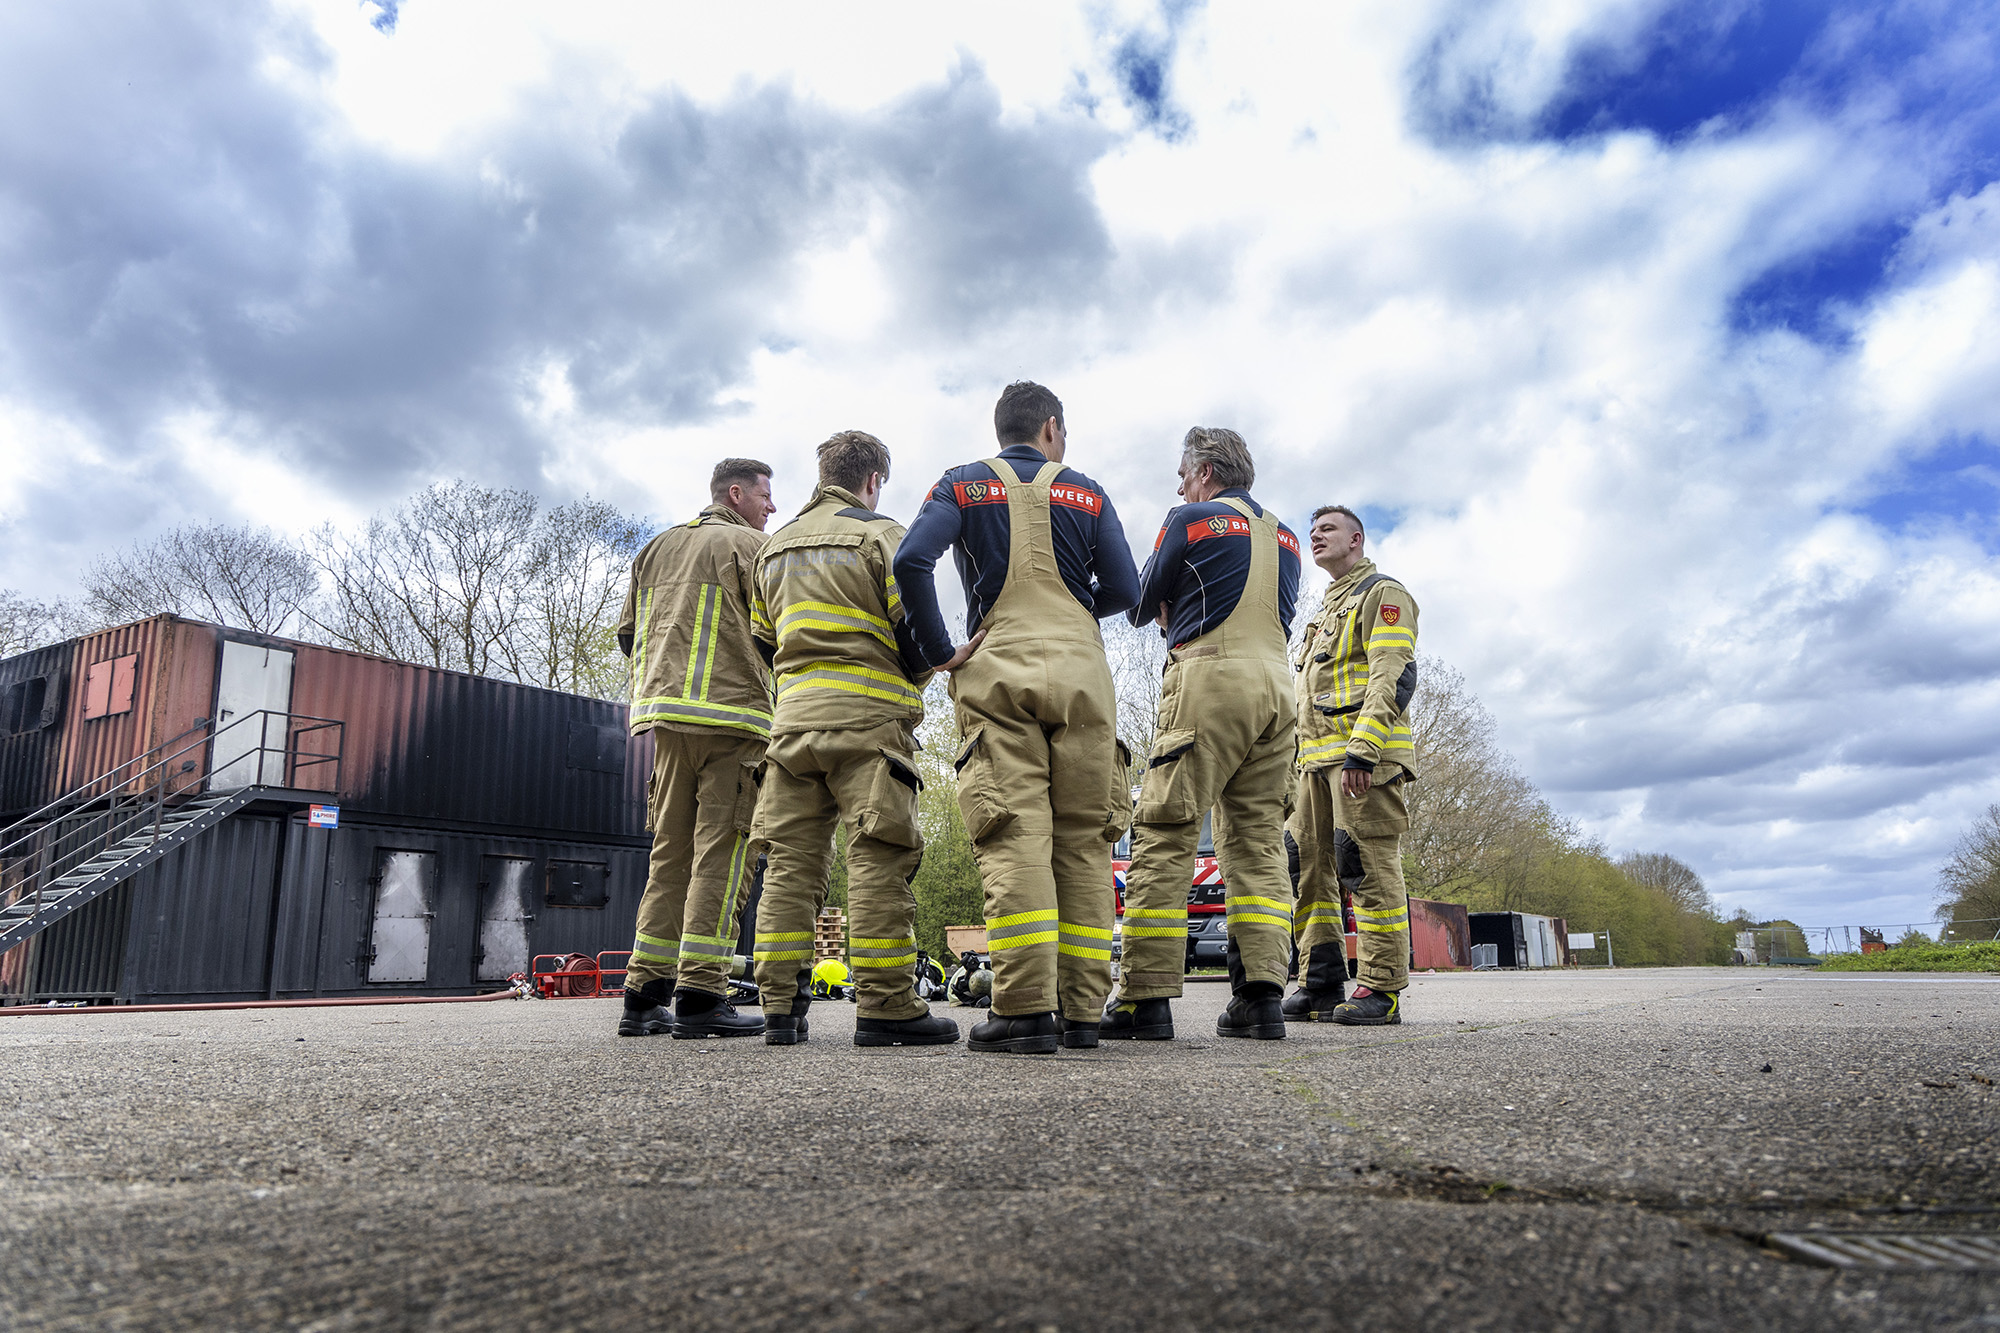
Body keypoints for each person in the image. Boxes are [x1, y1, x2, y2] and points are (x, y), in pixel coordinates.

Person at [894, 381, 1141, 1054]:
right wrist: (1075, 610)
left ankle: (1027, 1010)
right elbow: (1126, 588)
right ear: (1051, 428)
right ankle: (1083, 1013)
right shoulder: (1088, 492)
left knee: (1015, 837)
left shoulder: (962, 484)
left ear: (1003, 429)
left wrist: (941, 650)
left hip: (997, 669)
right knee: (1085, 841)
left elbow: (912, 559)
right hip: (1084, 675)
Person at [746, 430, 958, 1048]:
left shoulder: (773, 548)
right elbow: (915, 633)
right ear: (873, 481)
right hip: (870, 726)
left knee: (788, 865)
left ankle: (780, 1008)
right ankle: (886, 1006)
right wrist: (919, 674)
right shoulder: (881, 535)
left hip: (791, 729)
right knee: (878, 858)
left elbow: (764, 641)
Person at [1104, 428, 1302, 1041]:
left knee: (1167, 830)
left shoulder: (1189, 520)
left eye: (1184, 475)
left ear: (1207, 472)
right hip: (1279, 690)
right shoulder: (1287, 537)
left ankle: (1144, 999)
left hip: (1208, 679)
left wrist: (1171, 610)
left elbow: (1139, 602)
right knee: (1259, 842)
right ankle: (1261, 998)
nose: (1180, 487)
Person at [615, 458, 777, 1040]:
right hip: (735, 721)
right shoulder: (753, 548)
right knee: (723, 856)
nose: (771, 507)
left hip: (666, 722)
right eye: (764, 495)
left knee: (669, 857)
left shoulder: (655, 548)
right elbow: (780, 635)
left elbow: (629, 636)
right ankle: (702, 994)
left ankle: (642, 996)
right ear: (735, 494)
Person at [1287, 504, 1419, 1025]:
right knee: (1308, 868)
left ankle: (1381, 988)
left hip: (1361, 761)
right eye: (1312, 531)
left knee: (1365, 867)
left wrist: (1363, 749)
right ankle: (1319, 983)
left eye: (1328, 529)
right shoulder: (1324, 611)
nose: (1316, 537)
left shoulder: (1383, 594)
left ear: (1357, 539)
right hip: (1314, 765)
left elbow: (1393, 676)